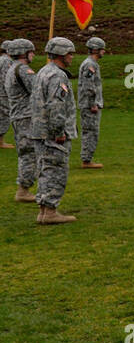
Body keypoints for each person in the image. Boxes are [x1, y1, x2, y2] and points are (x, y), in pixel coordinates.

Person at [30, 37, 78, 224]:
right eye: (69, 53)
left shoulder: (43, 71)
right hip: (53, 133)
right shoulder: (58, 76)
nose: (72, 57)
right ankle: (50, 211)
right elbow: (56, 105)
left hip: (40, 131)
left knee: (45, 170)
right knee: (56, 171)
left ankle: (44, 210)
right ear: (60, 54)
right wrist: (59, 131)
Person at [6, 39, 37, 202]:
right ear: (23, 53)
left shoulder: (12, 69)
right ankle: (23, 190)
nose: (33, 54)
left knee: (25, 152)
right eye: (31, 51)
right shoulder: (23, 70)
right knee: (29, 153)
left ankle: (24, 187)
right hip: (26, 116)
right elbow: (38, 90)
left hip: (19, 116)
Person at [78, 36, 106, 169]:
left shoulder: (91, 64)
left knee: (91, 131)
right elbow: (88, 85)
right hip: (90, 105)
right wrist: (93, 103)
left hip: (89, 103)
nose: (104, 51)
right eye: (102, 49)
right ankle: (87, 160)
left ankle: (87, 158)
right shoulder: (90, 65)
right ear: (95, 50)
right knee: (91, 132)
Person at [0, 40, 14, 148]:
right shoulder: (7, 61)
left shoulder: (1, 59)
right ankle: (1, 142)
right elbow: (6, 78)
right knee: (4, 116)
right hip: (3, 94)